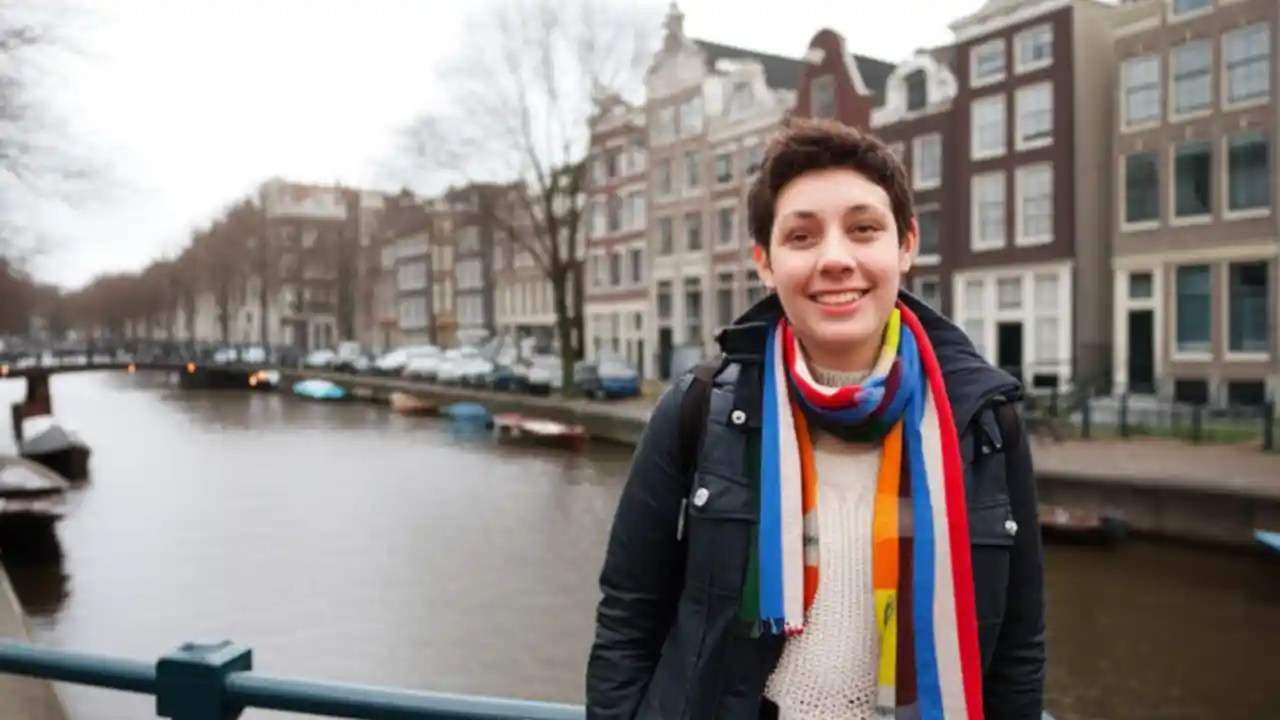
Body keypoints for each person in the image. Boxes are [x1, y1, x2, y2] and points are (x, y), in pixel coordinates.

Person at [585, 117, 1045, 719]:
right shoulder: (696, 411)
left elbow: (1018, 646)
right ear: (765, 262)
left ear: (904, 246)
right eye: (802, 237)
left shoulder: (984, 422)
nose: (835, 259)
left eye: (863, 229)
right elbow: (628, 615)